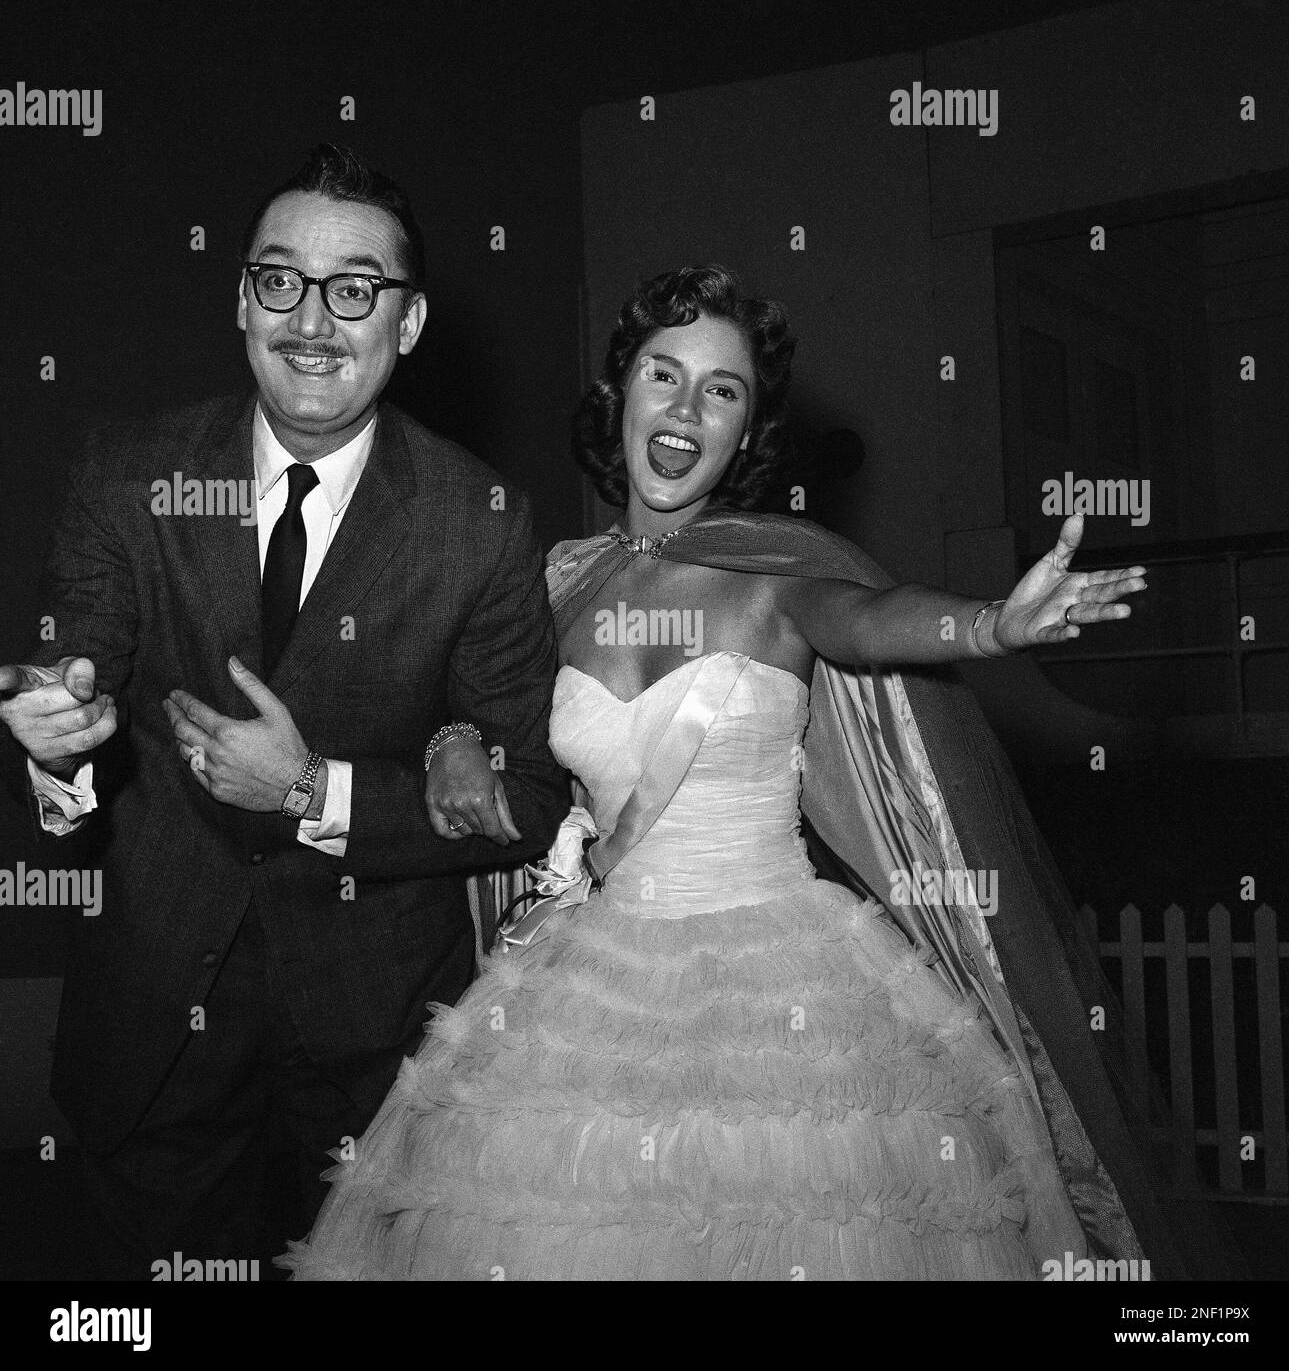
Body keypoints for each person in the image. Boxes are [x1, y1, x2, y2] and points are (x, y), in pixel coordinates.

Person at [282, 265, 1201, 1280]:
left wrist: (990, 623)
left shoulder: (783, 569)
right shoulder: (547, 585)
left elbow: (869, 619)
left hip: (785, 994)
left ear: (747, 429)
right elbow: (467, 717)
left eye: (722, 390)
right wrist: (453, 739)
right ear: (616, 395)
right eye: (663, 376)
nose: (685, 410)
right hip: (585, 991)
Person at [0, 144, 570, 1279]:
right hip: (155, 1020)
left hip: (373, 1046)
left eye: (355, 289)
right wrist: (55, 742)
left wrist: (312, 791)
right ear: (242, 299)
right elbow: (72, 668)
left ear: (406, 325)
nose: (313, 320)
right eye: (280, 280)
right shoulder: (128, 473)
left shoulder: (483, 520)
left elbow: (531, 797)